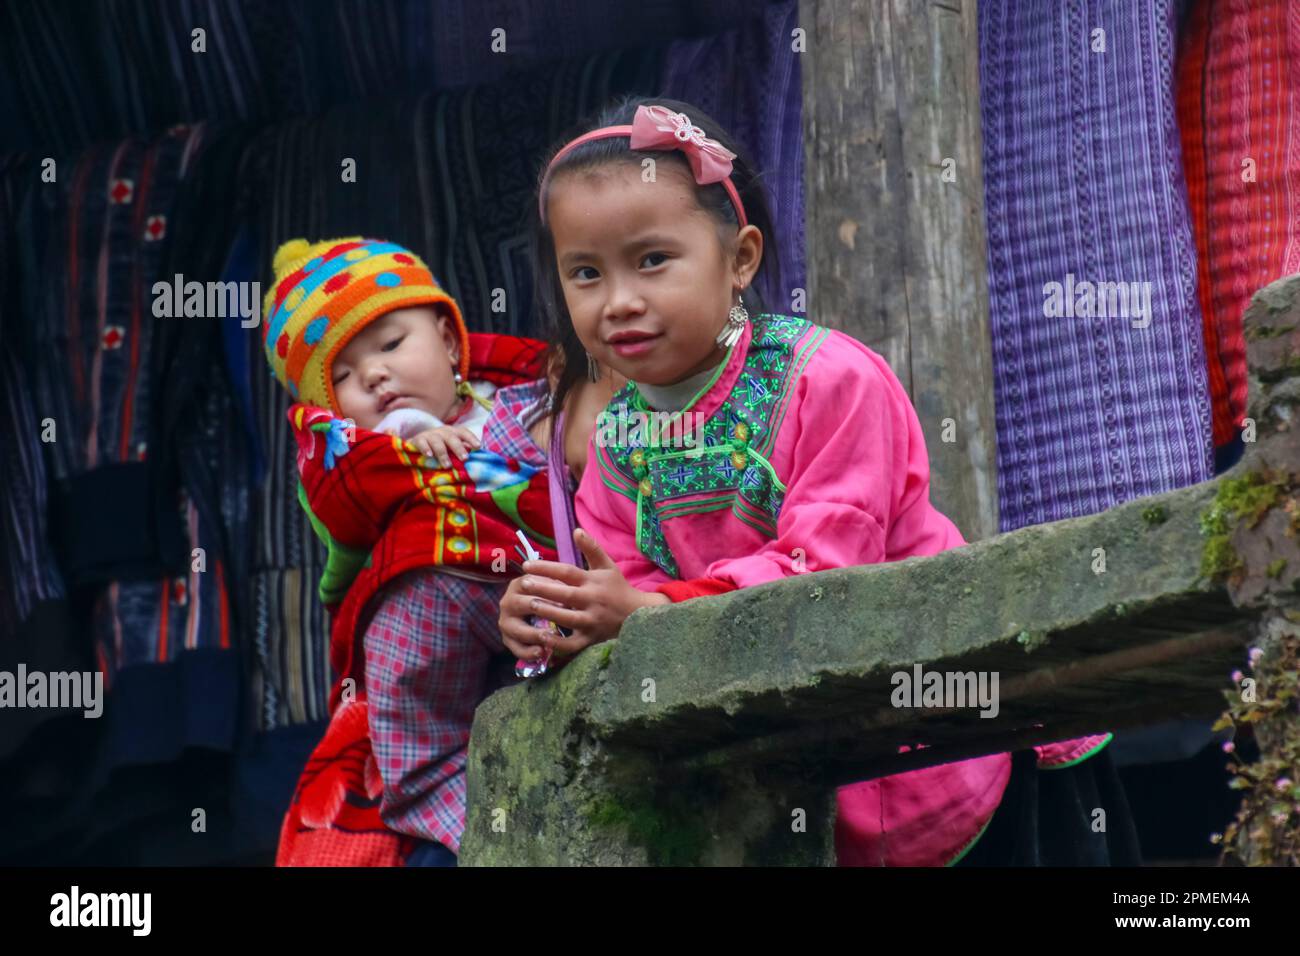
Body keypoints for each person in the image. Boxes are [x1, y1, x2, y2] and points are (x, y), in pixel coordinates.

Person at [501, 97, 1133, 866]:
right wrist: (562, 622)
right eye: (586, 273)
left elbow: (826, 576)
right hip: (796, 759)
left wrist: (641, 610)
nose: (620, 300)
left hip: (941, 729)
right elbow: (616, 587)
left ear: (740, 259)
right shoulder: (617, 440)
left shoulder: (827, 380)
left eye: (653, 260)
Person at [262, 236, 554, 866]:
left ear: (450, 340)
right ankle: (433, 788)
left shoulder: (514, 398)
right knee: (413, 598)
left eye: (392, 344)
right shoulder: (378, 447)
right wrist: (418, 435)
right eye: (341, 376)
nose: (374, 374)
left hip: (531, 587)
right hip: (435, 599)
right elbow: (359, 459)